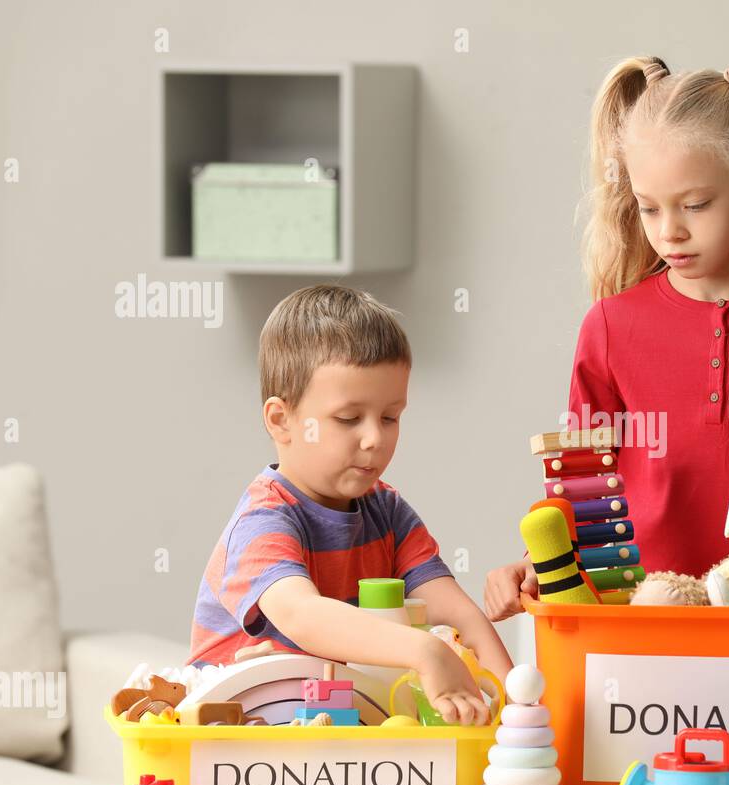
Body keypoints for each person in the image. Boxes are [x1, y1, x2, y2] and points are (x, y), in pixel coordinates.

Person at [486, 56, 729, 619]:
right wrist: (537, 559)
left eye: (696, 205)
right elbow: (581, 488)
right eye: (649, 208)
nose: (669, 230)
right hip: (646, 620)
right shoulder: (610, 325)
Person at [190, 285, 512, 725]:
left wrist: (516, 711)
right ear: (282, 421)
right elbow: (303, 616)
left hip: (344, 736)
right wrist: (424, 650)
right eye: (348, 419)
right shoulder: (263, 519)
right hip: (240, 739)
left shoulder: (387, 511)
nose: (374, 438)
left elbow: (458, 614)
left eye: (390, 417)